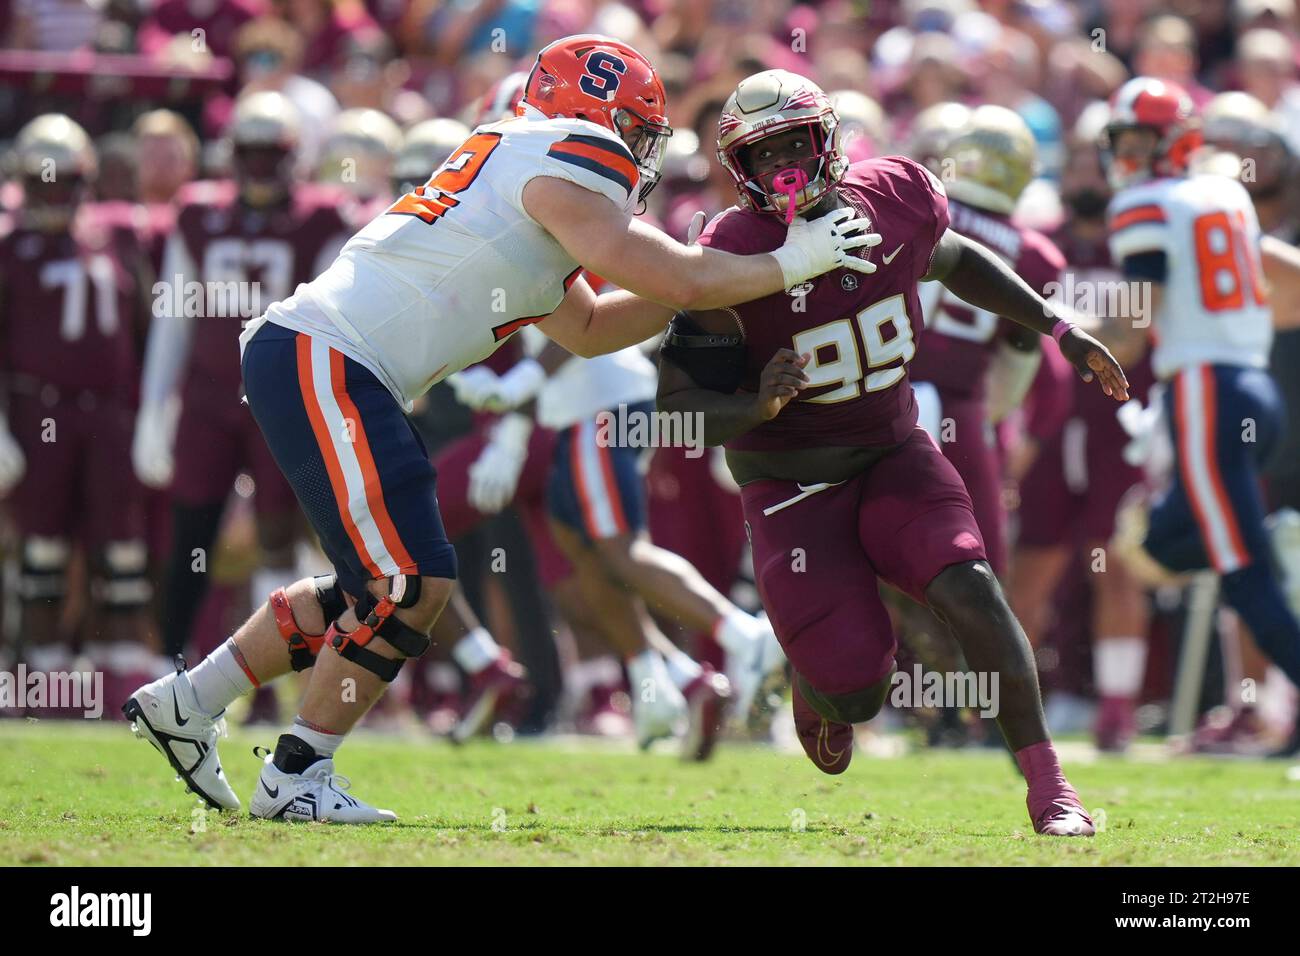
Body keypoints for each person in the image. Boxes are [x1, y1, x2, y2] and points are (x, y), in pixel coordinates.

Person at [124, 34, 876, 822]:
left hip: (325, 360)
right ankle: (296, 774)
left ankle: (187, 702)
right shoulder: (573, 146)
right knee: (410, 584)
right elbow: (675, 278)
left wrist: (730, 271)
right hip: (328, 357)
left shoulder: (523, 178)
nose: (641, 152)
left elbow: (588, 325)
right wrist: (790, 262)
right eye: (638, 129)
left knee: (376, 586)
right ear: (599, 115)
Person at [656, 69, 1129, 836]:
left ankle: (1052, 790)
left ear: (828, 141)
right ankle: (820, 690)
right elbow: (674, 411)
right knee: (856, 691)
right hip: (790, 486)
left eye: (794, 143)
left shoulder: (895, 197)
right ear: (737, 167)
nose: (783, 164)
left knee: (972, 587)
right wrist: (757, 404)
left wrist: (1057, 327)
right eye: (762, 150)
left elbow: (953, 259)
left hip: (892, 452)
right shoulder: (730, 253)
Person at [1101, 76, 1300, 755]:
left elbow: (1134, 323)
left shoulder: (1145, 204)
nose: (1129, 154)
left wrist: (1065, 332)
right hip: (1252, 386)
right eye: (1123, 141)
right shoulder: (1227, 194)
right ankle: (1281, 561)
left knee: (1243, 571)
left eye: (1137, 140)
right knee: (1160, 545)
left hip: (1207, 392)